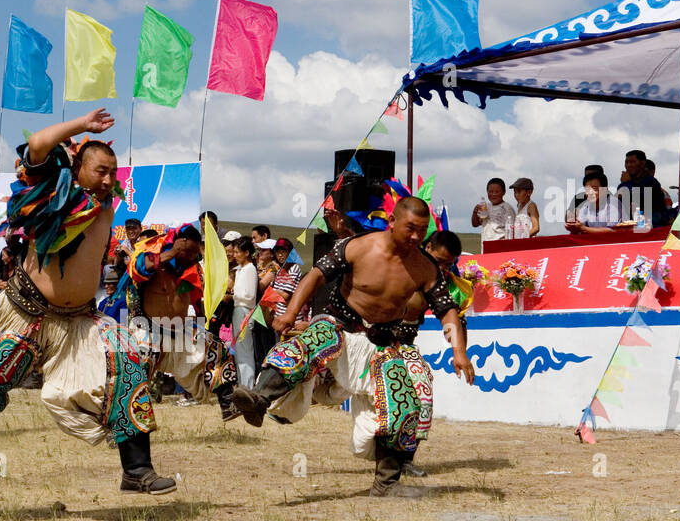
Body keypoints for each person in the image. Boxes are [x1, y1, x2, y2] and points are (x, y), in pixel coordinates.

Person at [0, 109, 172, 494]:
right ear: (77, 169)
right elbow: (39, 146)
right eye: (100, 171)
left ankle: (137, 470)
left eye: (114, 172)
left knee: (125, 361)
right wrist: (82, 126)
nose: (109, 179)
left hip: (78, 320)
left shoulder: (107, 207)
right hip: (26, 313)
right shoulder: (53, 194)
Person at [230, 197, 474, 496]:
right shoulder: (358, 247)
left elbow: (447, 310)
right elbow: (316, 275)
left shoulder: (424, 268)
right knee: (307, 344)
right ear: (393, 222)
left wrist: (459, 351)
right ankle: (258, 400)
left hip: (383, 342)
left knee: (405, 402)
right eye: (410, 228)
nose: (415, 237)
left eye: (421, 231)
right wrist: (291, 313)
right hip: (339, 325)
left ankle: (386, 485)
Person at [120, 223, 238, 421]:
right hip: (148, 329)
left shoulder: (189, 268)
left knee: (215, 348)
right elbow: (140, 268)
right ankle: (126, 426)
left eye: (195, 253)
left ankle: (228, 403)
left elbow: (193, 299)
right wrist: (173, 252)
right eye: (189, 251)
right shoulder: (150, 253)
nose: (193, 256)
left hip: (181, 331)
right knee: (136, 372)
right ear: (179, 243)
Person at [394, 229, 464, 478]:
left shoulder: (440, 282)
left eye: (449, 264)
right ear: (427, 248)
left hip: (405, 345)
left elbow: (451, 318)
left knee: (422, 396)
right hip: (372, 341)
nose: (444, 267)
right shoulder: (398, 264)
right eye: (441, 260)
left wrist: (460, 353)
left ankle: (404, 460)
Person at [230, 237, 259, 389]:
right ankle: (243, 384)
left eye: (237, 252)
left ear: (246, 253)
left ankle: (247, 385)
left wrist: (232, 294)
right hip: (238, 309)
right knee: (240, 350)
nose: (234, 255)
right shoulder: (241, 269)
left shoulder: (250, 269)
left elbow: (249, 295)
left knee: (245, 350)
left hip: (245, 311)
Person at [270, 237, 310, 334]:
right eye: (277, 252)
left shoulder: (294, 268)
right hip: (278, 318)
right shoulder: (280, 269)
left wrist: (274, 291)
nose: (280, 255)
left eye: (283, 251)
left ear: (290, 253)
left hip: (290, 321)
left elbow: (286, 295)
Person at [471, 178, 515, 248]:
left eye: (497, 192)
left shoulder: (507, 208)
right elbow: (475, 224)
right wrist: (474, 212)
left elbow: (513, 230)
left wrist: (503, 242)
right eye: (490, 191)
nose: (493, 194)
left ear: (504, 192)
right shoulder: (485, 206)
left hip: (501, 247)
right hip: (485, 246)